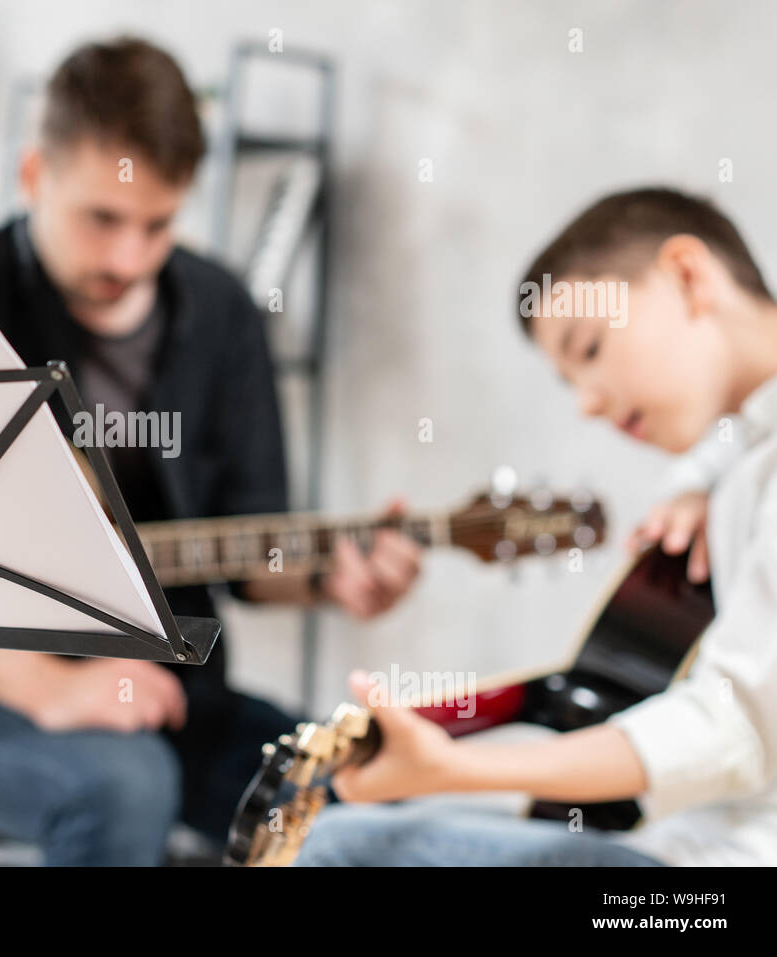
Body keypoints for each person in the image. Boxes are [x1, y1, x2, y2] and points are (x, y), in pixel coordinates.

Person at [0, 37, 422, 865]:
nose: (127, 259)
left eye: (158, 224)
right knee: (123, 785)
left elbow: (250, 548)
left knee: (363, 789)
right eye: (102, 219)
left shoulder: (224, 314)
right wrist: (51, 687)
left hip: (169, 692)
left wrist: (331, 574)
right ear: (35, 177)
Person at [296, 186, 777, 867]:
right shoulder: (744, 446)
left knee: (334, 849)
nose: (588, 403)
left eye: (590, 347)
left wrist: (457, 770)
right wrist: (697, 479)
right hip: (681, 843)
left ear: (689, 276)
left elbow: (733, 728)